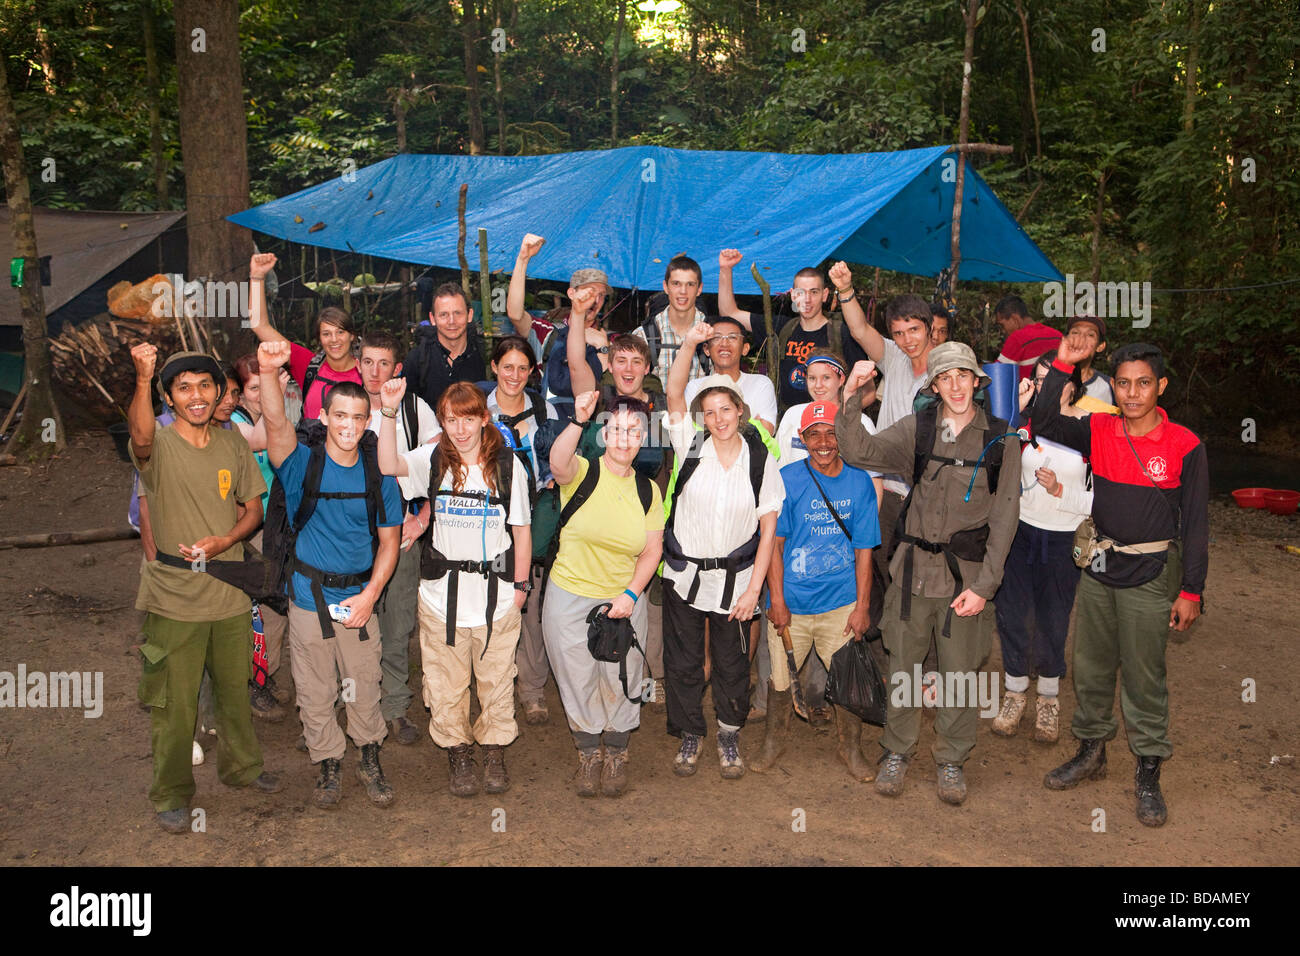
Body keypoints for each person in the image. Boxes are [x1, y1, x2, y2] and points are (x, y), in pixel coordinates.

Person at [835, 342, 1021, 805]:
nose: (956, 386)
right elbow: (858, 451)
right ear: (934, 386)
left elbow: (1005, 519)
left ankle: (952, 760)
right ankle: (896, 752)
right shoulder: (918, 429)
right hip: (912, 575)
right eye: (946, 378)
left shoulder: (1002, 440)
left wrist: (985, 587)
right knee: (903, 668)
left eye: (964, 376)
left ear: (978, 383)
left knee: (958, 673)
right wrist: (852, 396)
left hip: (966, 581)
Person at [1035, 341, 1208, 828]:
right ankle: (1092, 751)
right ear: (1113, 386)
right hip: (1099, 567)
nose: (1132, 393)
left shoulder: (1184, 445)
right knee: (1088, 666)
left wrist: (1191, 591)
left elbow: (1196, 524)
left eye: (1143, 383)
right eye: (1124, 383)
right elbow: (1044, 421)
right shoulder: (1100, 427)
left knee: (1143, 675)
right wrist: (1064, 361)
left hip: (1152, 575)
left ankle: (1149, 769)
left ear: (1161, 386)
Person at [126, 344, 283, 833]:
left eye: (204, 386)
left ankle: (242, 769)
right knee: (174, 702)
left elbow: (253, 509)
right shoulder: (158, 446)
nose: (196, 396)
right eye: (184, 388)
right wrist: (142, 378)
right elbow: (139, 433)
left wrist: (228, 539)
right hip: (174, 597)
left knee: (236, 692)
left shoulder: (233, 441)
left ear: (218, 392)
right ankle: (171, 792)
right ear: (169, 398)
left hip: (230, 592)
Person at [257, 340, 402, 811]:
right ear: (324, 416)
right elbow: (276, 424)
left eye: (358, 418)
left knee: (363, 683)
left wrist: (371, 595)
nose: (349, 426)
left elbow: (389, 541)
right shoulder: (302, 466)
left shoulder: (379, 475)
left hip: (358, 597)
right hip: (307, 597)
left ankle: (369, 756)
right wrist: (268, 368)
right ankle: (328, 763)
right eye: (340, 416)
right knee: (315, 689)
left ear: (368, 422)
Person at [376, 379, 532, 797]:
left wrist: (521, 586)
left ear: (484, 418)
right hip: (441, 598)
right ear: (442, 423)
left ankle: (495, 749)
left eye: (468, 418)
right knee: (445, 681)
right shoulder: (432, 458)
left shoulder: (507, 465)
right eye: (450, 420)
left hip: (495, 597)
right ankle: (458, 751)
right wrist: (389, 412)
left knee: (497, 679)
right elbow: (388, 465)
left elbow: (521, 528)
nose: (460, 429)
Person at [663, 324, 784, 779]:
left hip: (737, 583)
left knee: (734, 664)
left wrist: (755, 590)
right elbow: (675, 393)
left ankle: (729, 734)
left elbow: (769, 526)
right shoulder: (690, 444)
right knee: (684, 660)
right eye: (709, 412)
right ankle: (691, 732)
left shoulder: (760, 458)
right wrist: (692, 344)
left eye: (725, 409)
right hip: (683, 577)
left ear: (740, 411)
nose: (718, 419)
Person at [545, 390, 665, 797]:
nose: (624, 438)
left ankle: (616, 752)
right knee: (576, 675)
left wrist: (631, 596)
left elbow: (652, 550)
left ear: (644, 438)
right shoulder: (582, 471)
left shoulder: (649, 491)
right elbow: (556, 464)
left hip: (623, 598)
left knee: (623, 673)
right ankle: (587, 754)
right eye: (616, 429)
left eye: (634, 431)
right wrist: (577, 421)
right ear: (603, 433)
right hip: (569, 594)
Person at [755, 401, 879, 779]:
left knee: (847, 683)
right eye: (814, 434)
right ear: (803, 439)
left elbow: (864, 552)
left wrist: (861, 607)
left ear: (841, 438)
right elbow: (774, 546)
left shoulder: (859, 482)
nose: (823, 442)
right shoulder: (787, 478)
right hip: (791, 601)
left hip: (840, 602)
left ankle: (850, 748)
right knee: (780, 679)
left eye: (831, 433)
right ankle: (774, 742)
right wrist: (776, 600)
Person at [990, 352, 1092, 743]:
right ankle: (1015, 693)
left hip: (1063, 537)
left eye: (1056, 380)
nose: (1047, 388)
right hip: (1020, 533)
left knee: (1053, 618)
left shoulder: (1089, 431)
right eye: (1040, 379)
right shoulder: (1023, 425)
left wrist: (1059, 490)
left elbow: (1099, 502)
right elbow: (991, 463)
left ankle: (1048, 700)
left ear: (1074, 386)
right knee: (1013, 615)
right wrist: (1013, 413)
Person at [357, 331, 441, 745]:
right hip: (354, 534)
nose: (375, 372)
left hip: (403, 531)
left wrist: (423, 517)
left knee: (397, 621)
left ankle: (393, 704)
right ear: (358, 365)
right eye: (368, 362)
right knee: (352, 620)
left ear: (398, 370)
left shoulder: (415, 410)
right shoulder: (344, 407)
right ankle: (351, 704)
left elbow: (443, 469)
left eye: (384, 364)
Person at [485, 336, 560, 726]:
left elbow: (556, 462)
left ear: (532, 372)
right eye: (507, 366)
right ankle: (492, 688)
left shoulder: (544, 411)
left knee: (530, 605)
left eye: (522, 368)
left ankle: (531, 690)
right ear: (494, 366)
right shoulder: (478, 411)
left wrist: (549, 482)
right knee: (491, 608)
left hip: (533, 520)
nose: (514, 375)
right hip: (487, 522)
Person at [717, 251, 871, 411]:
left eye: (814, 292)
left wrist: (838, 416)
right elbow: (729, 313)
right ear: (793, 295)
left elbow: (868, 392)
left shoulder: (841, 334)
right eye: (801, 293)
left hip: (828, 426)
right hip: (786, 423)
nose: (807, 299)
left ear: (824, 295)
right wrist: (726, 269)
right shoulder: (780, 328)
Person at [247, 252, 364, 418]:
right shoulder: (308, 366)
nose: (334, 340)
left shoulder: (367, 372)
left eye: (340, 332)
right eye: (326, 334)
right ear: (319, 339)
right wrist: (257, 277)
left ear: (352, 336)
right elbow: (259, 325)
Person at [681, 317, 779, 436]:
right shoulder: (695, 387)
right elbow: (692, 437)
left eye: (732, 337)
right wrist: (749, 426)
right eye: (717, 337)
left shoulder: (761, 384)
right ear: (706, 349)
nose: (724, 343)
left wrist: (711, 429)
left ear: (745, 348)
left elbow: (765, 434)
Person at [403, 282, 488, 410]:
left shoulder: (483, 354)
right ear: (432, 318)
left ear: (469, 315)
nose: (451, 321)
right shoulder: (417, 359)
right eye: (444, 314)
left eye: (458, 313)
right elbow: (408, 410)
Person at [633, 255, 711, 383]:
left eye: (690, 284)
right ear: (665, 287)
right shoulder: (643, 336)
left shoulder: (712, 334)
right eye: (676, 284)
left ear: (699, 289)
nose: (683, 291)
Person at [994, 294, 1062, 382]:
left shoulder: (1017, 339)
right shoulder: (1058, 336)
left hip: (1031, 394)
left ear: (1015, 319)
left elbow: (997, 374)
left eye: (1002, 325)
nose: (1003, 331)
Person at [1064, 316, 1115, 408]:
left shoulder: (1109, 387)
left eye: (1090, 335)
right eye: (1075, 333)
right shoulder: (1048, 380)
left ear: (1100, 346)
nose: (1081, 339)